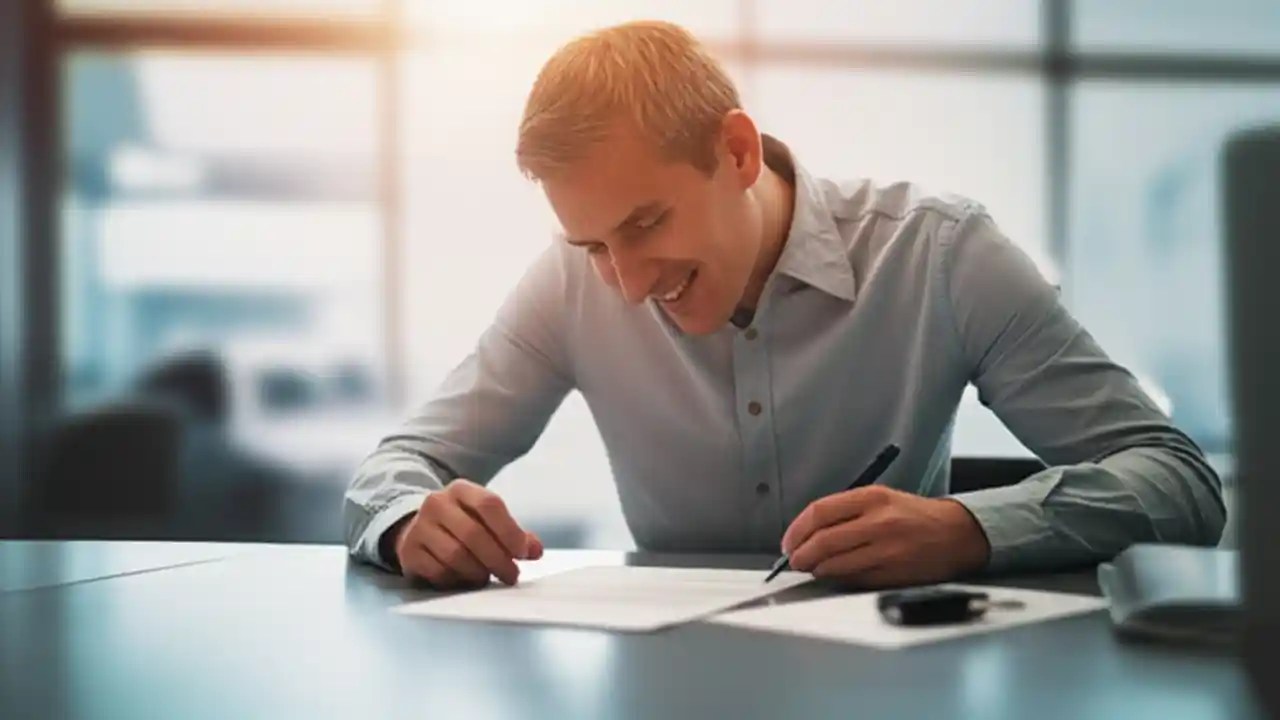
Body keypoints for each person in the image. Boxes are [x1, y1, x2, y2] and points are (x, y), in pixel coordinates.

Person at [344, 21, 1225, 589]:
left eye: (646, 224)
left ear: (735, 150)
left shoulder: (941, 255)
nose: (626, 280)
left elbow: (1179, 481)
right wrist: (412, 518)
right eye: (593, 245)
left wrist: (969, 529)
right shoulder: (575, 281)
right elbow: (397, 467)